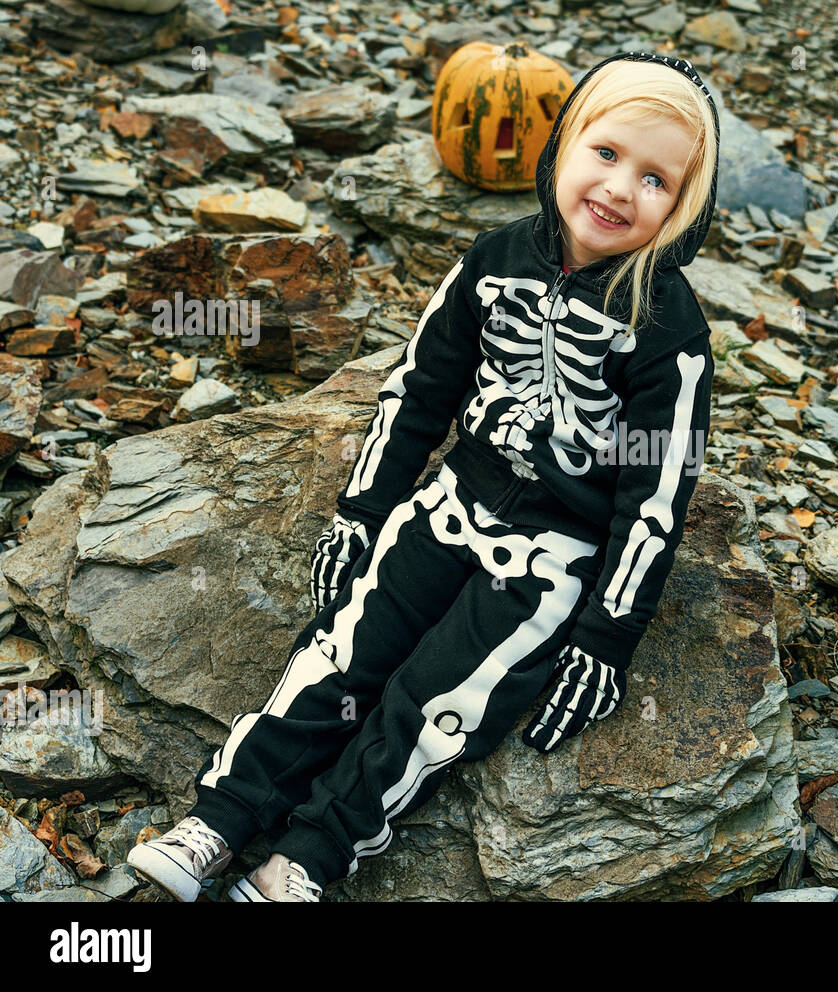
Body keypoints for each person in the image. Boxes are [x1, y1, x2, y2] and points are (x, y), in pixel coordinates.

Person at [126, 50, 720, 902]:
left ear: (685, 209)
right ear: (563, 144)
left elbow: (656, 496)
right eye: (606, 152)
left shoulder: (668, 329)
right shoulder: (494, 259)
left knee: (437, 705)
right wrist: (361, 510)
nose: (620, 188)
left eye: (656, 180)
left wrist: (606, 636)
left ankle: (303, 861)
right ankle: (219, 820)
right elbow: (417, 392)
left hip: (552, 559)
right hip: (449, 505)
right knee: (339, 655)